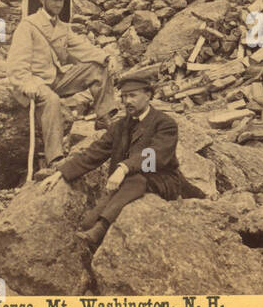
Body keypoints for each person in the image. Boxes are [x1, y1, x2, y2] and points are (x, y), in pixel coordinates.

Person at [42, 75, 187, 251]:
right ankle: (95, 230)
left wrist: (124, 167)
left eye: (132, 96)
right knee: (88, 223)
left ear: (148, 95)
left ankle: (102, 228)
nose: (127, 101)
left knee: (136, 180)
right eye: (124, 97)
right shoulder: (120, 126)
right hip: (126, 182)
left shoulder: (165, 123)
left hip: (161, 178)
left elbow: (155, 155)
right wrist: (60, 172)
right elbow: (95, 152)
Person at [7, 0, 119, 168]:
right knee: (52, 100)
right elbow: (17, 63)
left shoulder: (62, 27)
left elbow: (82, 48)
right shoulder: (28, 25)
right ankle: (55, 159)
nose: (58, 3)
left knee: (97, 68)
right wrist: (27, 83)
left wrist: (106, 57)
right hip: (35, 82)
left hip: (57, 79)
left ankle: (104, 117)